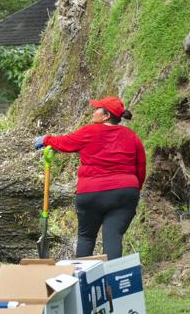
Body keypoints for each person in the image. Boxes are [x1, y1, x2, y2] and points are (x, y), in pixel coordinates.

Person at [34, 96, 146, 260]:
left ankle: (82, 280)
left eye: (97, 109)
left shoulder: (90, 131)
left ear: (106, 116)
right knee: (113, 237)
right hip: (125, 192)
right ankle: (112, 282)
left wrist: (45, 140)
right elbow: (141, 167)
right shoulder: (131, 136)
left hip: (92, 193)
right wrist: (133, 189)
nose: (93, 112)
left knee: (87, 237)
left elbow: (66, 143)